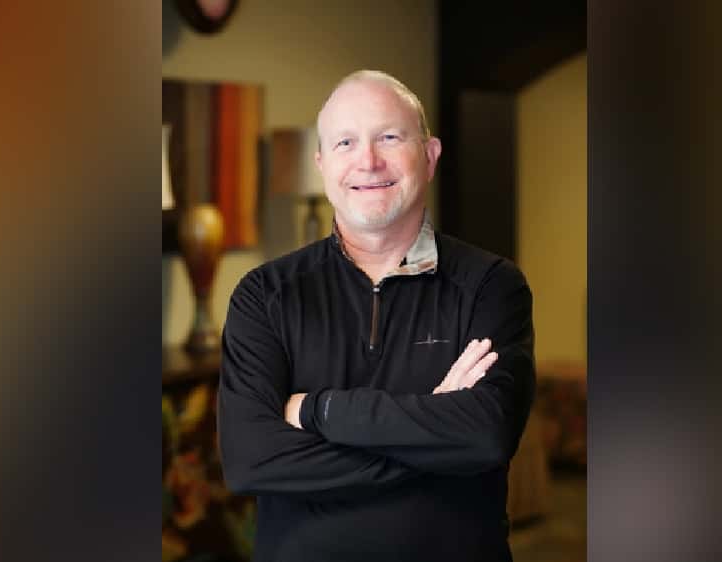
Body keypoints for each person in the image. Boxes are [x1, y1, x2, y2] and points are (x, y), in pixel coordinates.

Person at [217, 70, 535, 562]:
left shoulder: (491, 286)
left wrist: (314, 411)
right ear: (323, 165)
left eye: (389, 137)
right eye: (345, 142)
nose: (367, 161)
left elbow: (485, 436)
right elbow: (250, 461)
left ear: (429, 156)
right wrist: (433, 440)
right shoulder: (264, 295)